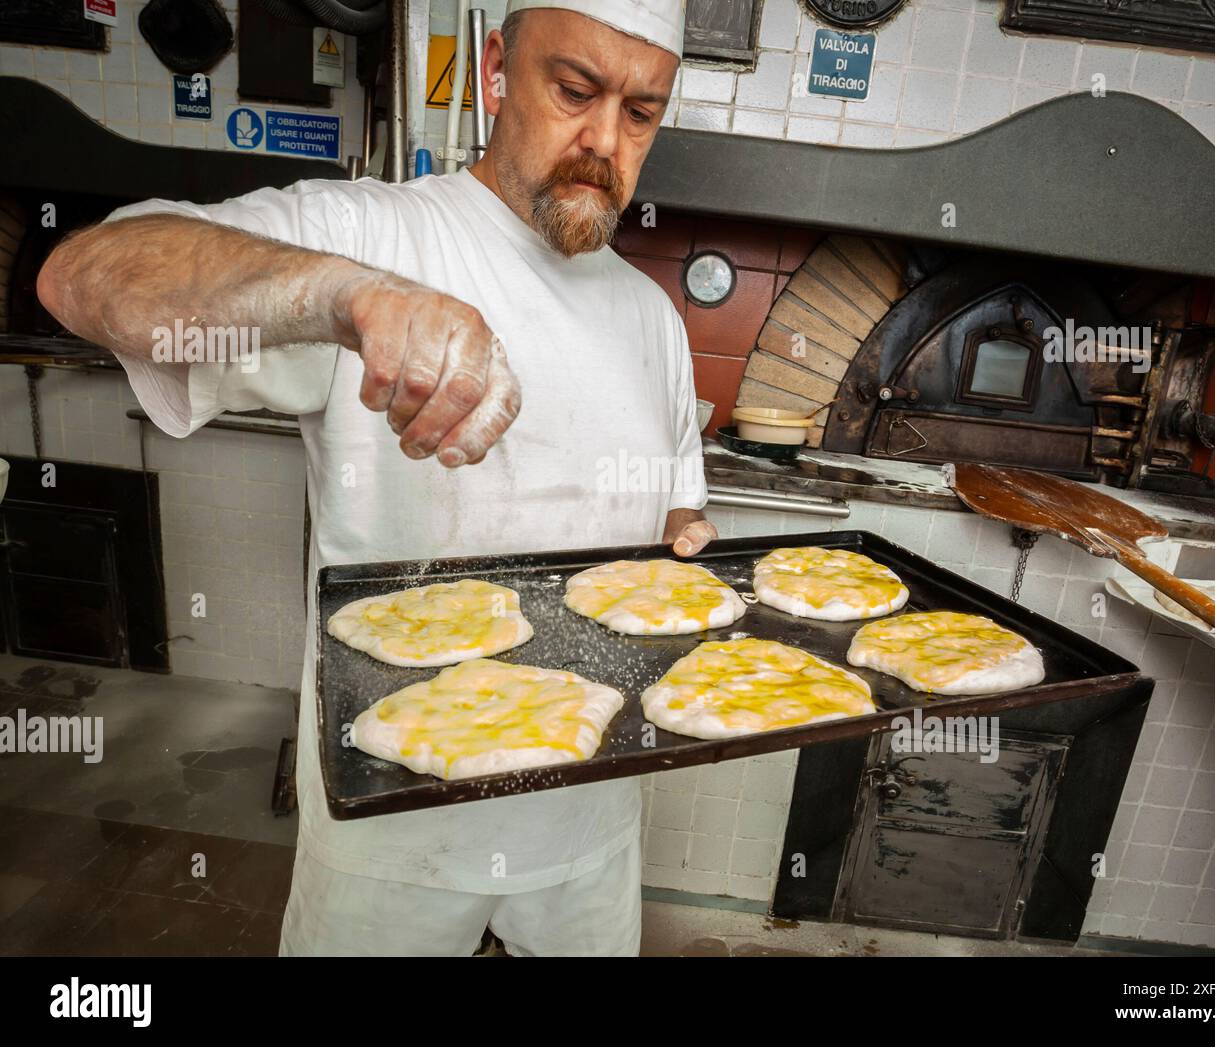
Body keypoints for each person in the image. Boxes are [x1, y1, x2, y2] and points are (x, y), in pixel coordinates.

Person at [36, 0, 714, 956]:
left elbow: (678, 499)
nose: (604, 140)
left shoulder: (653, 318)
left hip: (587, 818)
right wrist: (346, 298)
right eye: (574, 90)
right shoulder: (375, 237)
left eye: (641, 113)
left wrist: (685, 532)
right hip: (395, 821)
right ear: (493, 71)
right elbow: (84, 274)